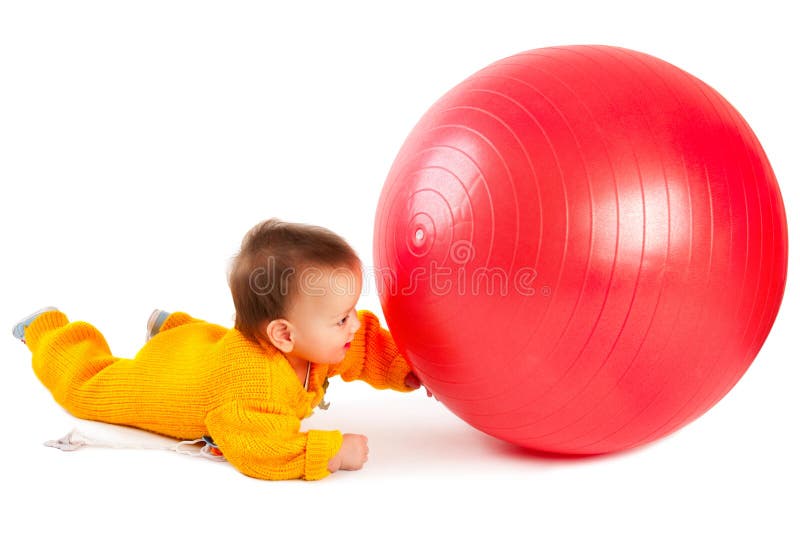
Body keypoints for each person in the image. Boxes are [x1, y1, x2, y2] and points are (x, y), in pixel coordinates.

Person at [12, 218, 429, 481]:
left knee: (211, 344)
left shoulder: (317, 341)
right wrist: (333, 452)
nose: (356, 323)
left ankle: (173, 330)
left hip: (207, 351)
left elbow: (364, 345)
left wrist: (406, 367)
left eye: (352, 309)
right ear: (283, 335)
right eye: (342, 319)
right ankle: (50, 333)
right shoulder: (252, 391)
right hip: (173, 382)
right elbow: (258, 450)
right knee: (88, 389)